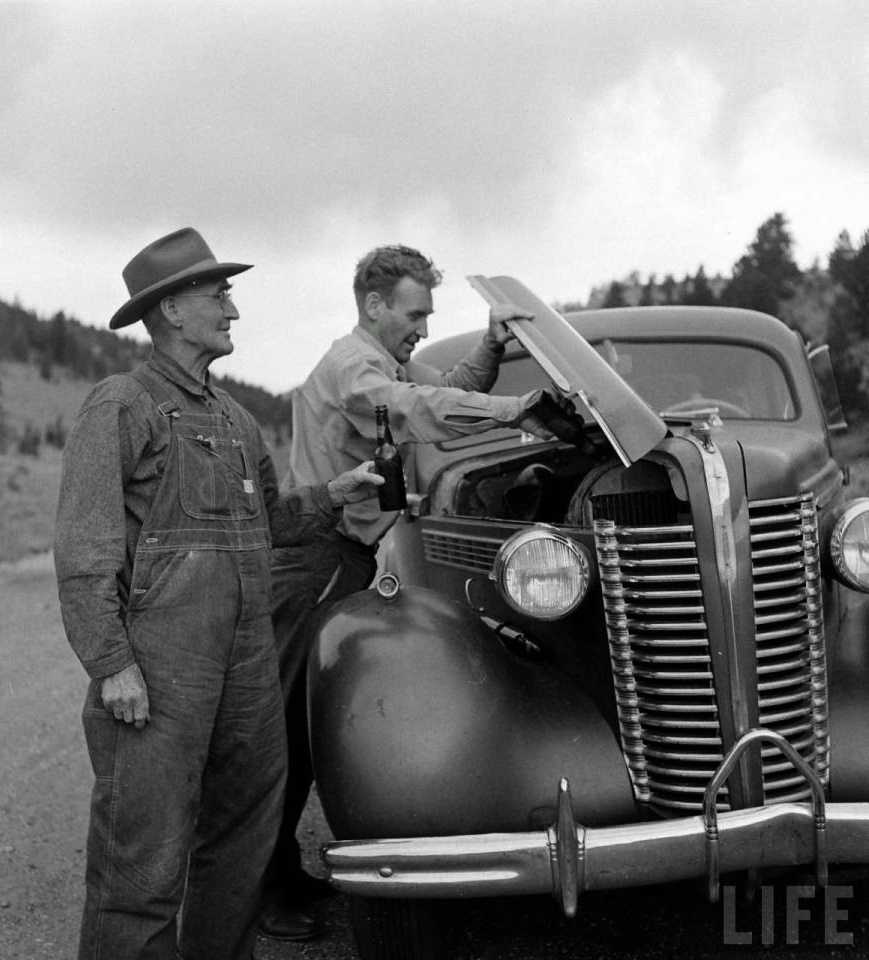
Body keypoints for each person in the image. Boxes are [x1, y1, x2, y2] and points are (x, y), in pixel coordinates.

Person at [53, 227, 381, 960]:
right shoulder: (122, 403)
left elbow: (268, 523)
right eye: (218, 294)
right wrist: (111, 663)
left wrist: (332, 494)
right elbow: (84, 548)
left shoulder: (234, 420)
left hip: (246, 670)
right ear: (171, 309)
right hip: (162, 672)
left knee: (242, 841)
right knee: (141, 856)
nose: (233, 310)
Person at [260, 244, 576, 940]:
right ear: (374, 306)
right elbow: (418, 406)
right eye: (414, 313)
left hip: (350, 554)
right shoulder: (355, 367)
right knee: (285, 726)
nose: (423, 327)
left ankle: (277, 876)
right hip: (318, 559)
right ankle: (264, 891)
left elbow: (440, 386)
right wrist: (514, 408)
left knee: (314, 721)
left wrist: (492, 356)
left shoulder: (386, 364)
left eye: (428, 314)